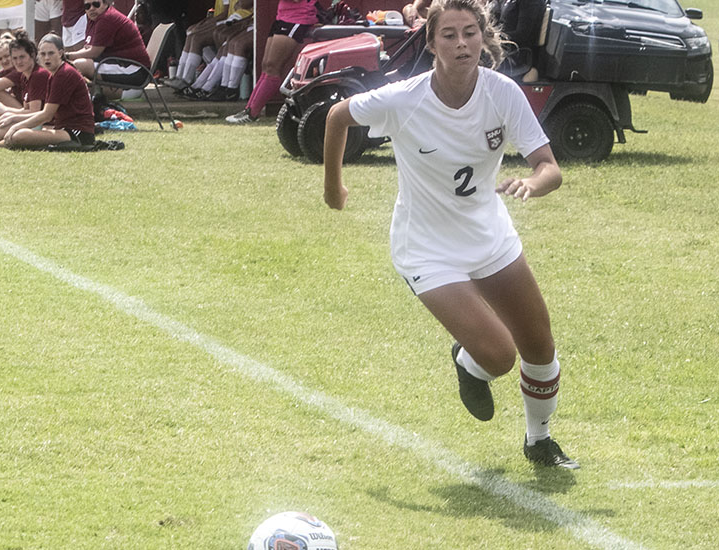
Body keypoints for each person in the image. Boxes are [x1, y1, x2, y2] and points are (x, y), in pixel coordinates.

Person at [323, 0, 576, 468]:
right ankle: (469, 361)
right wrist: (333, 187)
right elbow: (338, 116)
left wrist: (532, 183)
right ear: (431, 41)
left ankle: (539, 441)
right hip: (427, 250)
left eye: (470, 34)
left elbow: (549, 167)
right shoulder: (405, 97)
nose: (462, 44)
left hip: (490, 236)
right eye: (449, 35)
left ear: (483, 37)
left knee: (540, 348)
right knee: (498, 357)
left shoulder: (502, 92)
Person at [225, 0, 322, 123]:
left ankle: (252, 113)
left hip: (297, 18)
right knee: (266, 65)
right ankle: (249, 110)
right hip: (283, 16)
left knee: (273, 67)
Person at [0, 33, 94, 148]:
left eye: (51, 53)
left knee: (19, 135)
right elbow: (44, 113)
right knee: (13, 128)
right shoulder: (54, 74)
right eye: (43, 54)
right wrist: (14, 118)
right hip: (62, 128)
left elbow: (47, 115)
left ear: (60, 53)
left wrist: (16, 125)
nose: (46, 58)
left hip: (78, 133)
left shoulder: (63, 74)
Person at [67, 0, 151, 96]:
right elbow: (88, 48)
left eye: (96, 4)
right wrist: (68, 58)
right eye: (87, 6)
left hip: (135, 71)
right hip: (121, 65)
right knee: (71, 65)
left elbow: (94, 52)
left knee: (80, 65)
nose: (92, 9)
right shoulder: (93, 19)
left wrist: (67, 56)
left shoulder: (107, 18)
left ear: (106, 3)